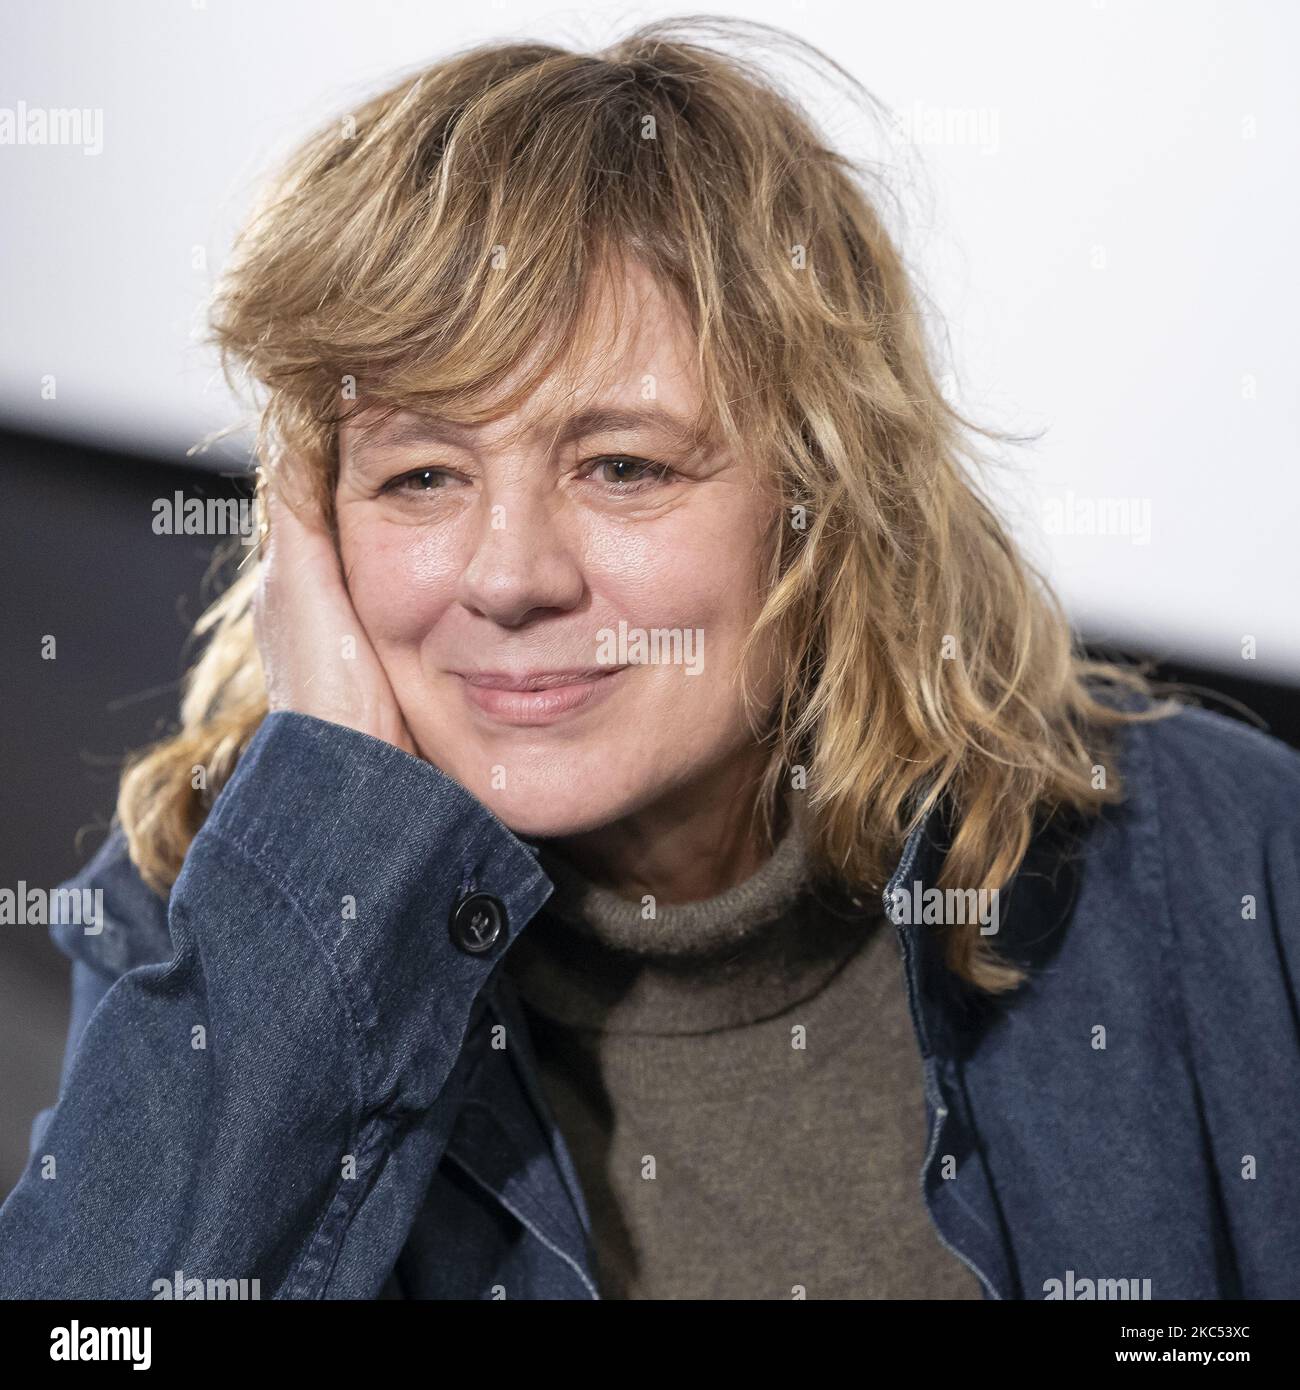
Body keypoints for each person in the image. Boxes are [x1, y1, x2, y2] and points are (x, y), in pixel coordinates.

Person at [3, 17, 1298, 1301]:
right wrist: (326, 846)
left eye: (623, 466)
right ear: (309, 528)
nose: (509, 575)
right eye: (419, 475)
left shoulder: (1218, 859)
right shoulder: (206, 912)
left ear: (828, 493)